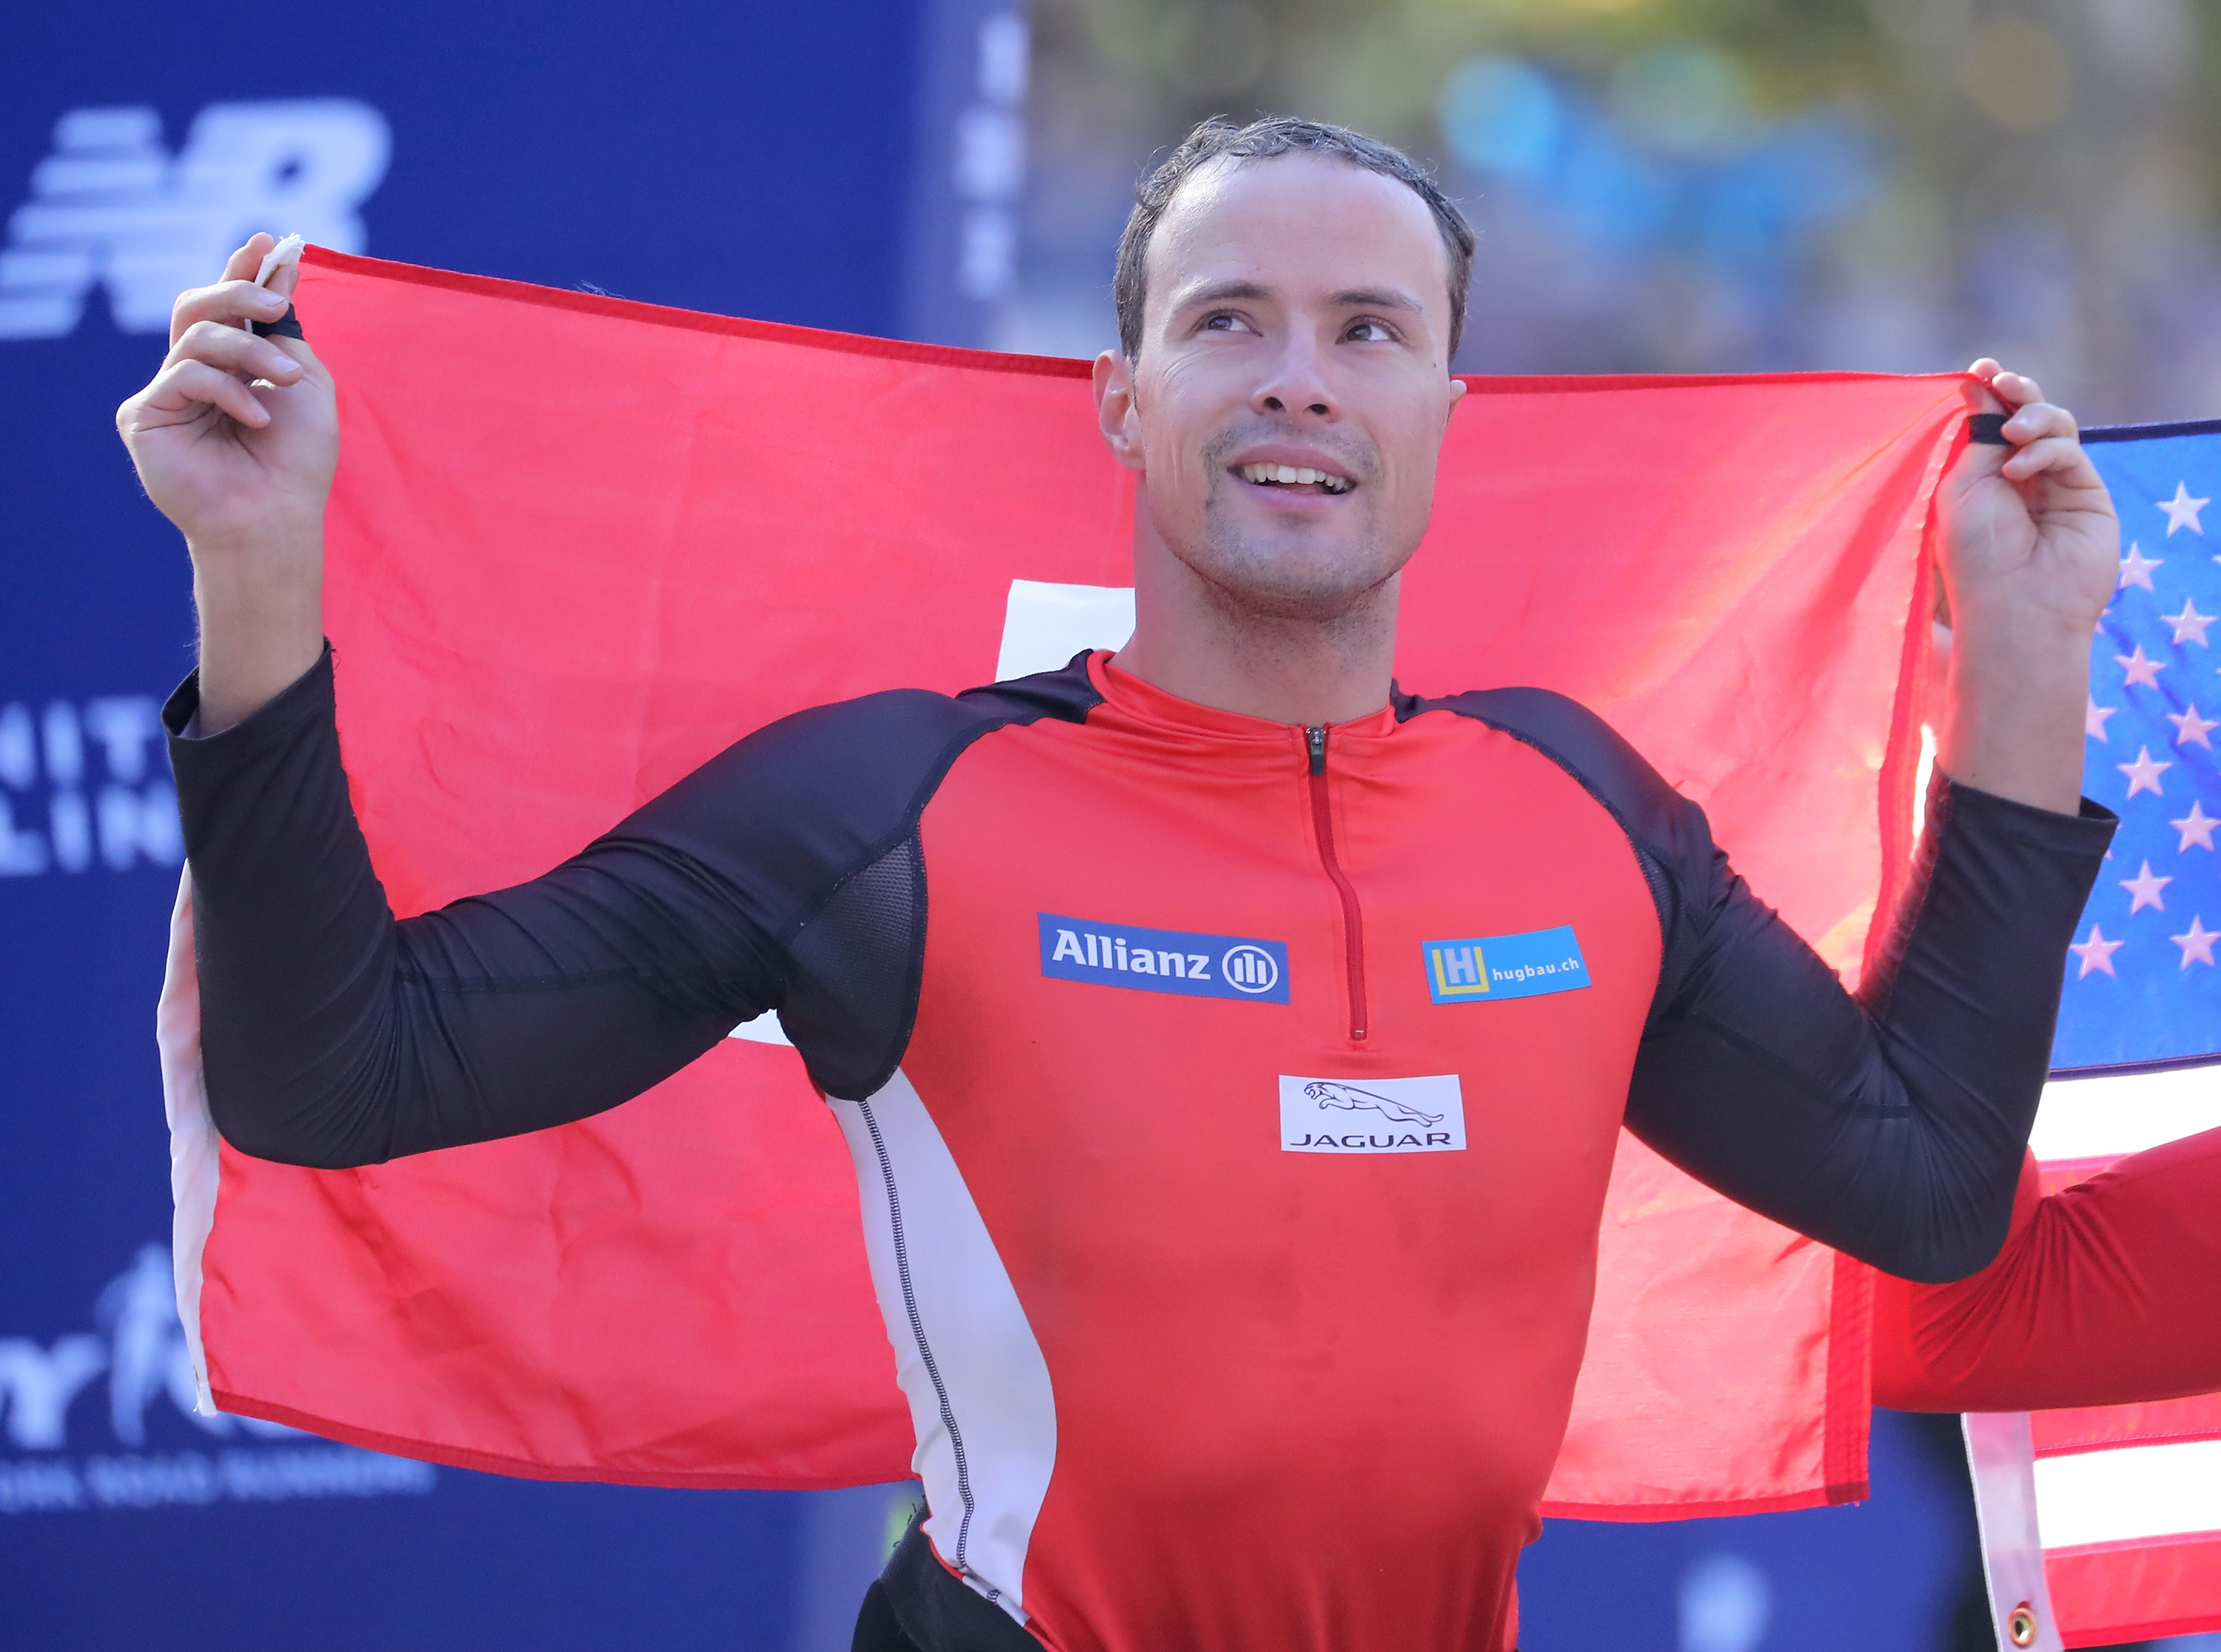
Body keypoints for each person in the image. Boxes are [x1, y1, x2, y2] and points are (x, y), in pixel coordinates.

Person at [118, 117, 2118, 1652]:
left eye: (1369, 333)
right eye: (1227, 321)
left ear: (1449, 415)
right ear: (1122, 394)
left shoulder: (1585, 810)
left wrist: (2025, 677)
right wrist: (254, 572)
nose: (1299, 382)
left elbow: (1924, 1189)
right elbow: (338, 1078)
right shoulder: (884, 802)